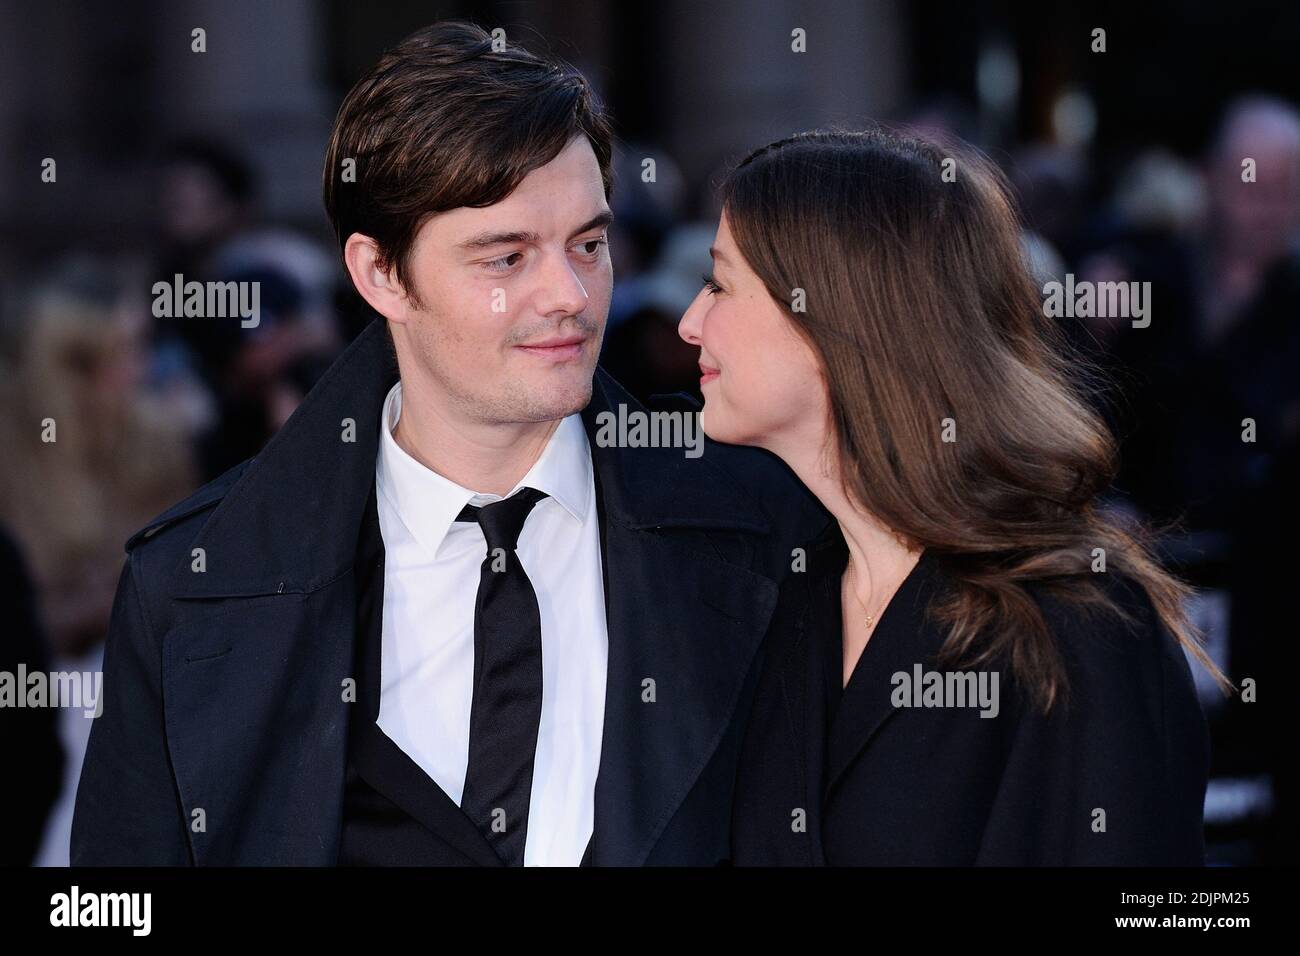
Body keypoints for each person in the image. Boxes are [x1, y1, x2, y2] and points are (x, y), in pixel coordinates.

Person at [71, 21, 823, 867]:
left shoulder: (771, 528)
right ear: (379, 274)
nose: (569, 296)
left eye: (589, 244)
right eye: (505, 258)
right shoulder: (191, 585)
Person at [677, 128, 1231, 865]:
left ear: (833, 314)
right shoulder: (781, 601)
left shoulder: (1080, 623)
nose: (689, 322)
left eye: (720, 284)